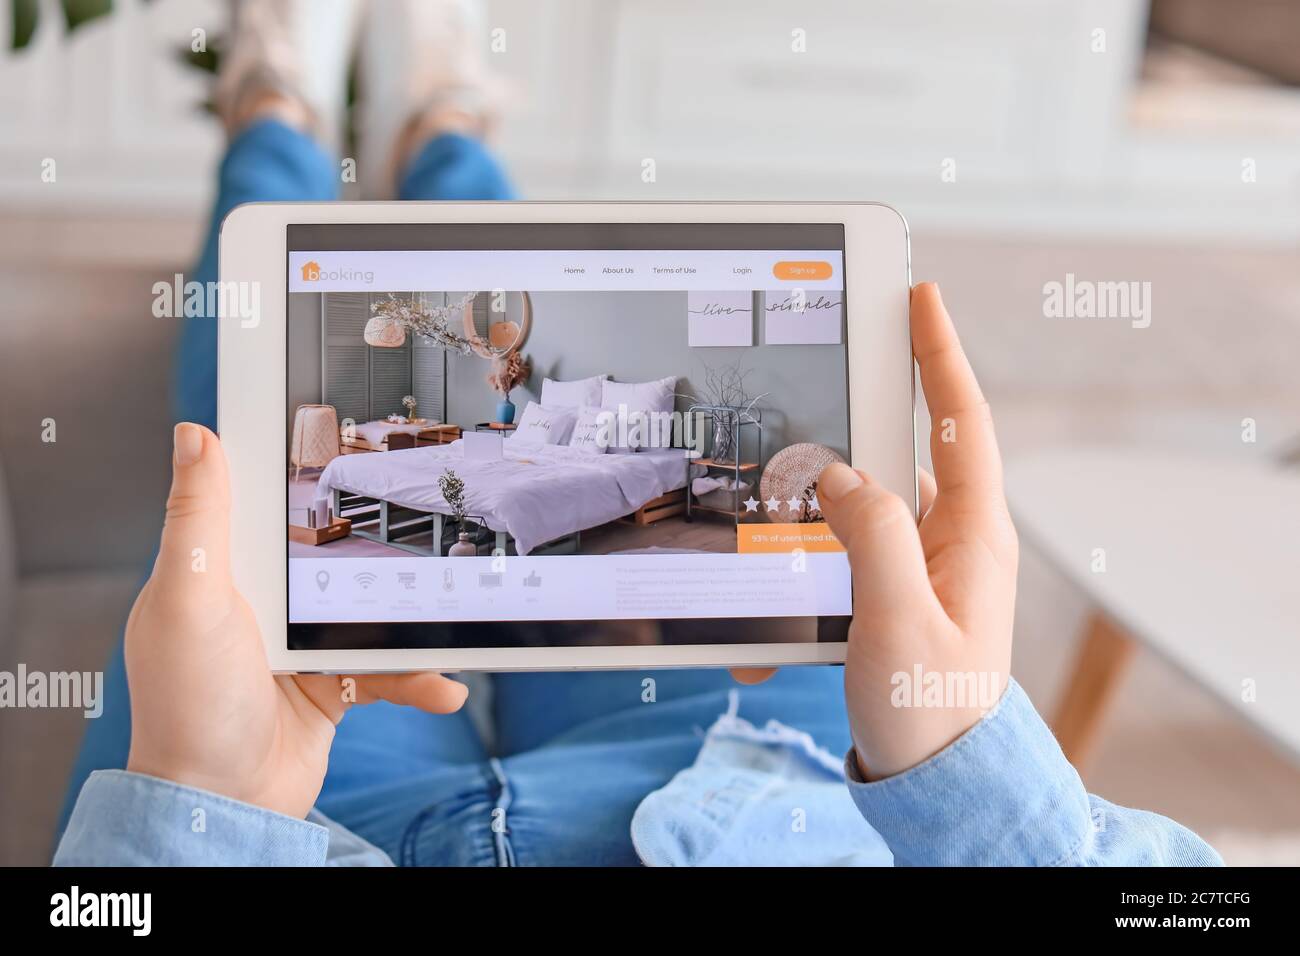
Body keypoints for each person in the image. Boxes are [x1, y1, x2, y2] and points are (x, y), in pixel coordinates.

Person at [54, 1, 1220, 867]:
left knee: (234, 440)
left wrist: (196, 805)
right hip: (770, 781)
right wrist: (957, 757)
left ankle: (268, 103)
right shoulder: (524, 395)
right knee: (472, 241)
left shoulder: (670, 457)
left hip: (305, 829)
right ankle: (445, 118)